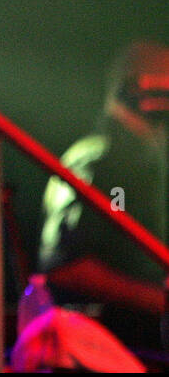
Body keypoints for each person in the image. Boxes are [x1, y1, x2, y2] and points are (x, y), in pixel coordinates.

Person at [36, 41, 169, 358]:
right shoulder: (95, 158)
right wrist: (160, 300)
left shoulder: (151, 159)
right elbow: (65, 267)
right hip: (107, 350)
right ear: (133, 86)